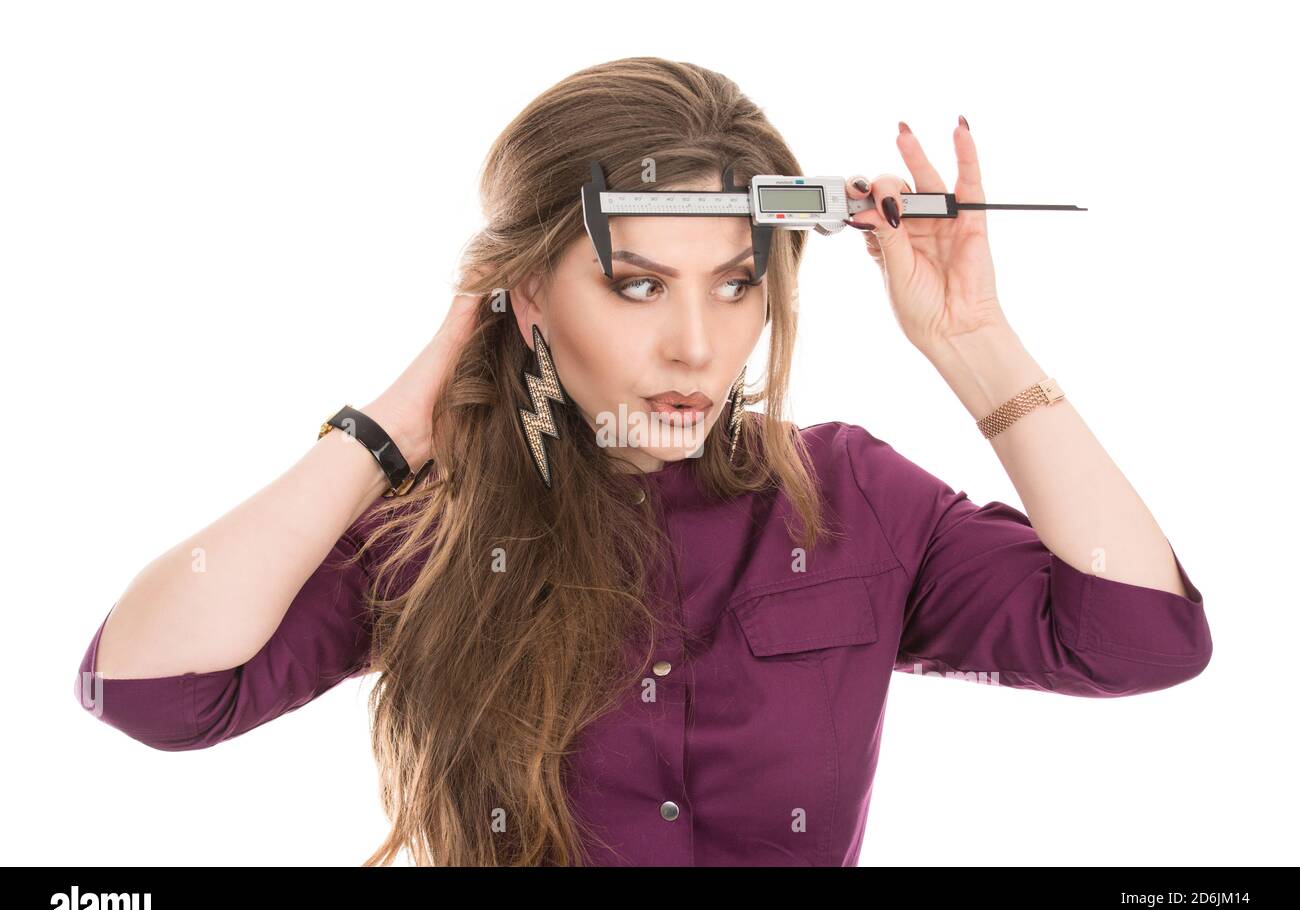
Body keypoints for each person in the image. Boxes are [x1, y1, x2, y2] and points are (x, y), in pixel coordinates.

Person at [72, 57, 1213, 866]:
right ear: (522, 297)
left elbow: (1137, 636)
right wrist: (394, 426)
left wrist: (975, 346)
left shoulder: (852, 497)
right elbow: (151, 690)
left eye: (735, 282)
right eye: (636, 285)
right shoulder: (426, 527)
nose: (696, 343)